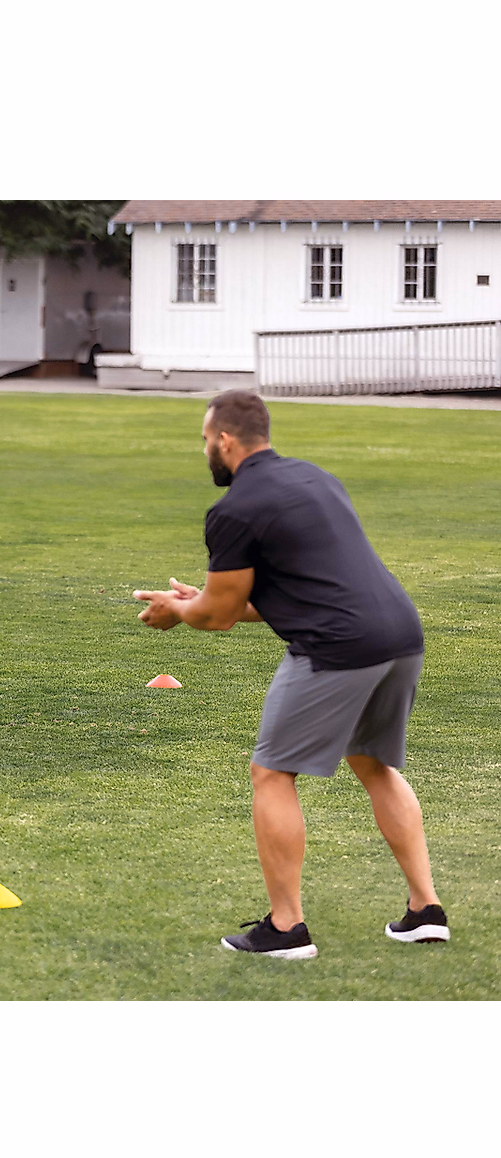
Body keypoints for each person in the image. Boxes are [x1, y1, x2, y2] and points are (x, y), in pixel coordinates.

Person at [133, 389, 446, 959]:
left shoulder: (234, 509)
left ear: (225, 440)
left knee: (271, 772)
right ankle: (426, 909)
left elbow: (220, 617)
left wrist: (179, 609)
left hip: (338, 646)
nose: (206, 450)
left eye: (206, 440)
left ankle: (286, 928)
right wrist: (203, 598)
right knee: (374, 766)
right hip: (399, 632)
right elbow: (282, 592)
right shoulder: (314, 478)